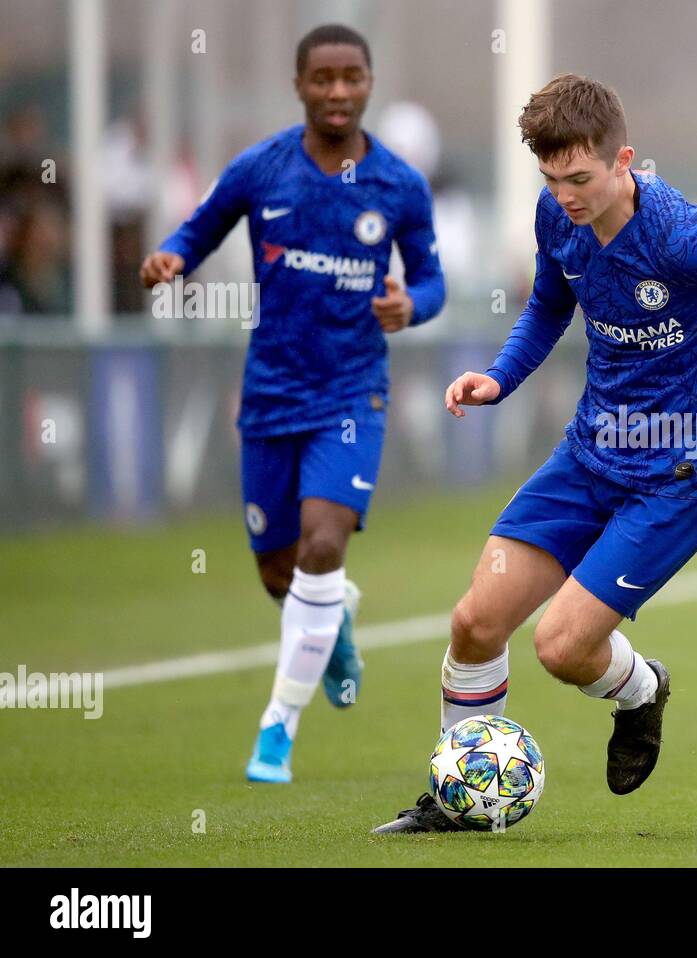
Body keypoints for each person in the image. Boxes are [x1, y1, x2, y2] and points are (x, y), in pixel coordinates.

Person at [372, 73, 697, 833]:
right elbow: (550, 304)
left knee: (560, 647)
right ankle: (460, 799)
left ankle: (642, 689)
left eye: (580, 179)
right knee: (475, 623)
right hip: (591, 455)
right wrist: (499, 377)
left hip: (681, 475)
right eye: (551, 179)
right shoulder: (557, 214)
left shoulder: (686, 238)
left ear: (624, 161)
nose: (565, 196)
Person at [139, 24, 446, 783]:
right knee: (279, 571)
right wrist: (174, 256)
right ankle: (333, 622)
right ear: (299, 85)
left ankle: (277, 728)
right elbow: (200, 229)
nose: (338, 91)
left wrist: (413, 305)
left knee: (323, 545)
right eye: (324, 78)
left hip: (352, 392)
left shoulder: (399, 185)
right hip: (271, 393)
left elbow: (431, 279)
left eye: (352, 77)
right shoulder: (261, 168)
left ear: (369, 83)